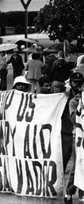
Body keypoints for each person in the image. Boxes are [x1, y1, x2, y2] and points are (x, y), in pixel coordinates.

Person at [64, 72, 84, 203]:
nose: (78, 86)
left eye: (80, 83)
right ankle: (69, 191)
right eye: (75, 82)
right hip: (77, 135)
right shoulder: (72, 100)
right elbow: (73, 118)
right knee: (78, 163)